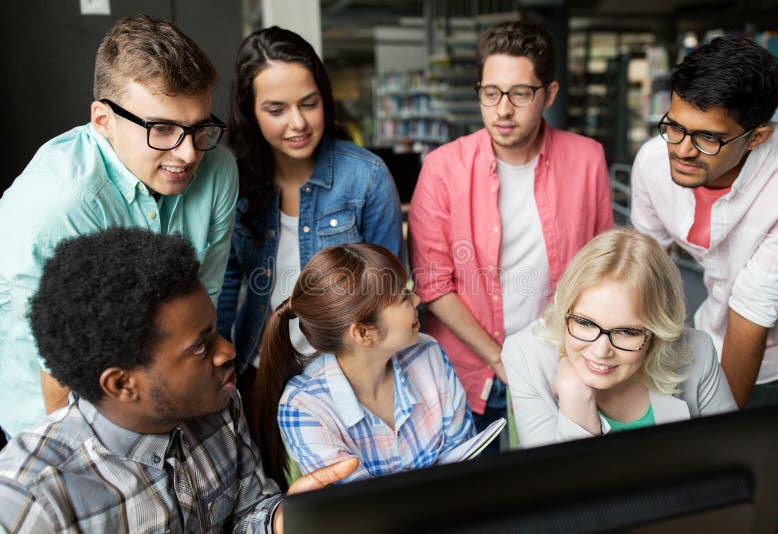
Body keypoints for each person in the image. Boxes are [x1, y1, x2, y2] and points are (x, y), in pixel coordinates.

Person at [0, 228, 356, 533]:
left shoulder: (218, 400)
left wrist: (281, 520)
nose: (228, 351)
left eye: (215, 330)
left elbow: (247, 512)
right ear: (122, 385)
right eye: (201, 346)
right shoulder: (31, 499)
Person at [0, 15, 239, 437]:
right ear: (102, 120)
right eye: (162, 129)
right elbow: (61, 377)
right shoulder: (57, 202)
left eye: (199, 126)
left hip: (162, 395)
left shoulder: (218, 167)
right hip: (53, 417)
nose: (187, 153)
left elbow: (204, 310)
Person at [408, 20, 613, 440]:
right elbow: (433, 285)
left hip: (560, 358)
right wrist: (502, 359)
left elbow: (602, 267)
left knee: (558, 488)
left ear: (549, 94)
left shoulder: (587, 159)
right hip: (468, 365)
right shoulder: (442, 168)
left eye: (520, 93)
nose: (503, 110)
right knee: (476, 494)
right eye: (491, 93)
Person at [216, 26, 404, 408]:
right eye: (276, 109)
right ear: (251, 112)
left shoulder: (366, 176)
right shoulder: (233, 182)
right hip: (260, 375)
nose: (297, 123)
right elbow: (223, 288)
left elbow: (389, 292)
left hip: (348, 379)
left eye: (308, 103)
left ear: (325, 99)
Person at [630, 36, 778, 408]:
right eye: (674, 126)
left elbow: (751, 312)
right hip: (708, 338)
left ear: (757, 137)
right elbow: (645, 268)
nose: (682, 150)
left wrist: (721, 436)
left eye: (709, 137)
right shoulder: (653, 162)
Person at [253, 243, 475, 489]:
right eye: (404, 298)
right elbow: (359, 510)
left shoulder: (428, 353)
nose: (418, 299)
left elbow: (463, 464)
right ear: (362, 333)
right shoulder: (304, 407)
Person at [502, 228, 737, 448]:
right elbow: (551, 488)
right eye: (585, 323)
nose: (601, 350)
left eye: (627, 332)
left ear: (656, 332)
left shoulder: (698, 351)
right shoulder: (525, 355)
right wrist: (577, 403)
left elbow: (732, 456)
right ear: (565, 309)